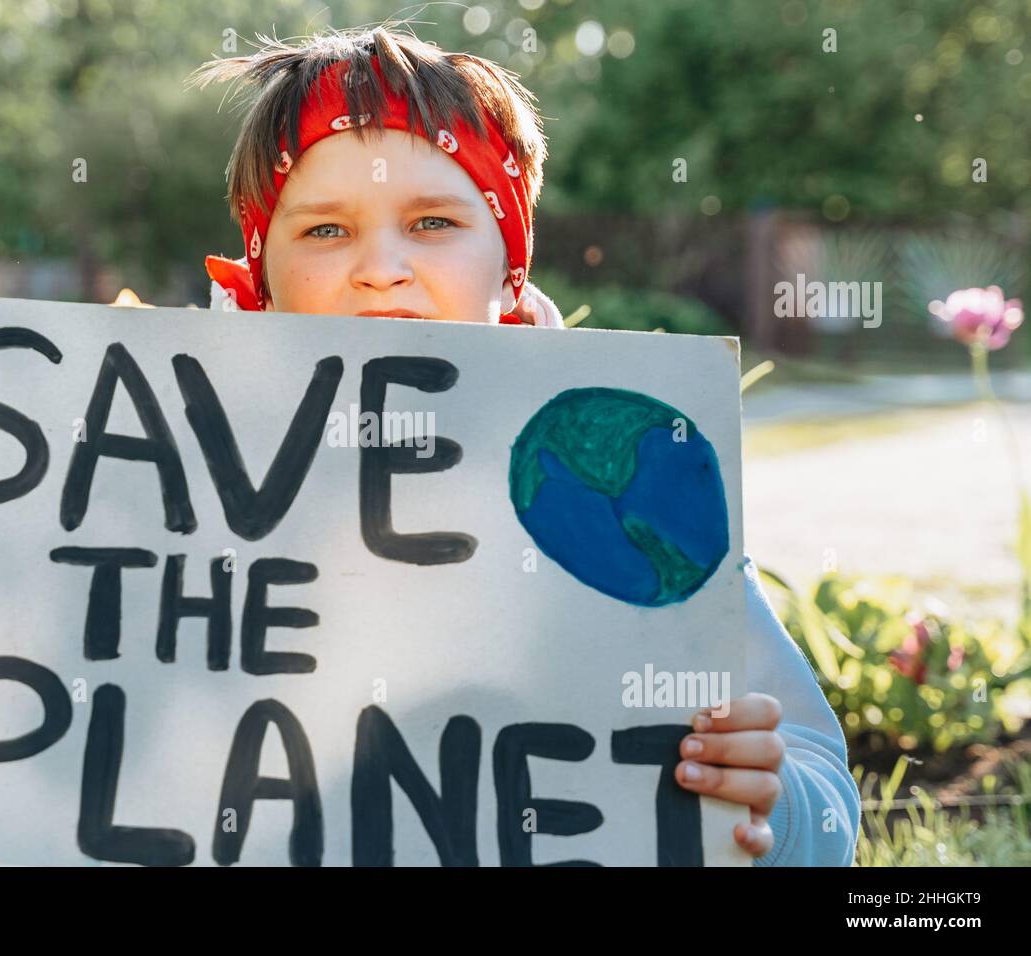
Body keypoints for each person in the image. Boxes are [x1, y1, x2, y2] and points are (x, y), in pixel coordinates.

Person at [188, 23, 860, 866]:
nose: (381, 267)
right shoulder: (178, 488)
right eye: (326, 231)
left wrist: (774, 804)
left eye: (432, 221)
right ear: (263, 273)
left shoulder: (614, 481)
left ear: (510, 266)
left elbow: (826, 803)